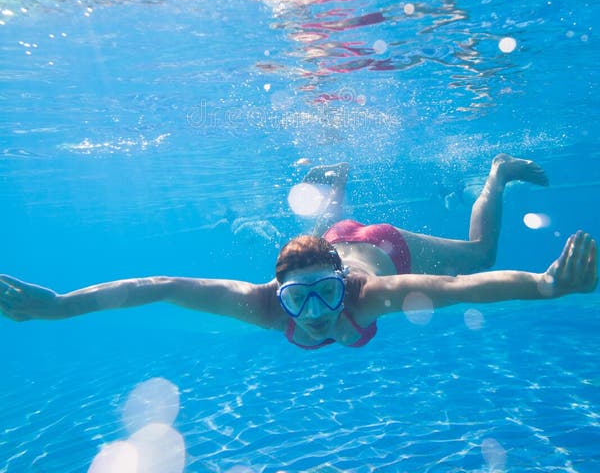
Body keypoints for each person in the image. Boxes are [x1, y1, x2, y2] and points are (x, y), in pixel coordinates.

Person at [0, 155, 596, 349]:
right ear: (275, 291)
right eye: (299, 297)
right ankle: (333, 185)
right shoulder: (269, 302)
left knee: (480, 253)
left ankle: (496, 174)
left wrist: (547, 284)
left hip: (380, 247)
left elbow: (469, 287)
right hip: (332, 246)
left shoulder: (374, 294)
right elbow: (160, 285)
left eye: (325, 294)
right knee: (328, 233)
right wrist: (59, 304)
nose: (313, 310)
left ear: (345, 286)